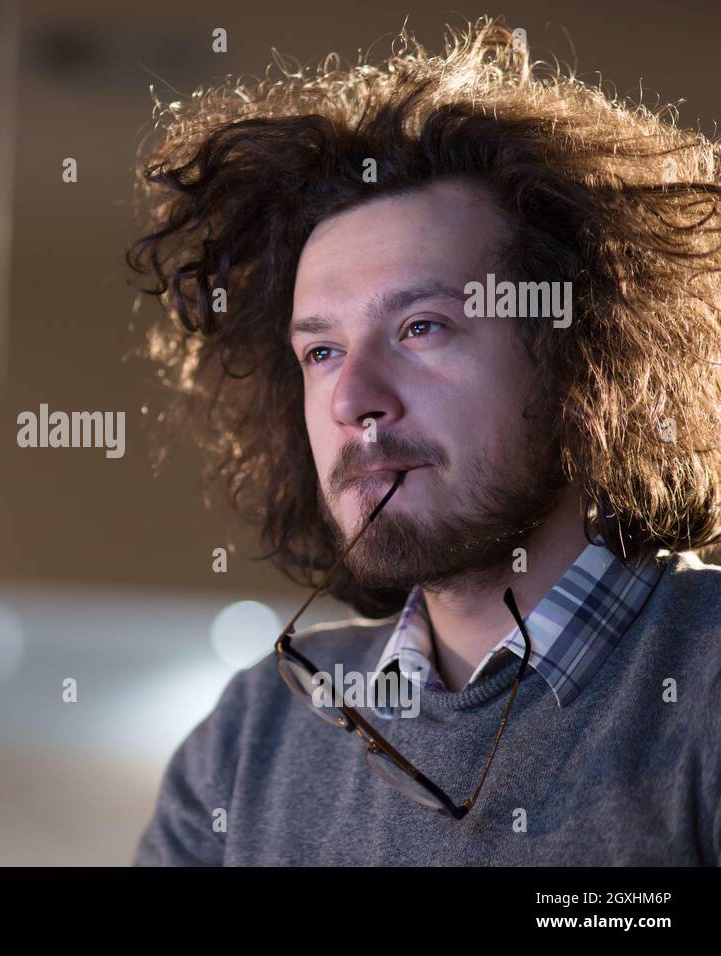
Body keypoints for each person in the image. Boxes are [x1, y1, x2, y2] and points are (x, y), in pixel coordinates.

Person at [125, 17, 721, 865]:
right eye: (322, 352)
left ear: (580, 353)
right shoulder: (250, 744)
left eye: (422, 327)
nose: (354, 401)